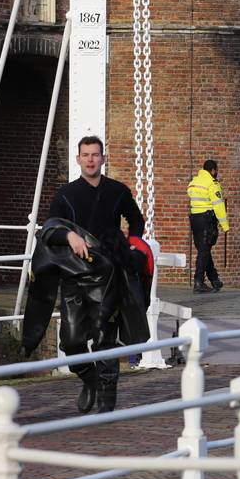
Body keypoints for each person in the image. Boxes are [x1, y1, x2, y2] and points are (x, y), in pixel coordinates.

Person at [29, 136, 148, 414]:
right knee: (71, 341)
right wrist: (69, 235)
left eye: (95, 154)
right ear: (78, 159)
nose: (91, 159)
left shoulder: (117, 191)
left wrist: (131, 246)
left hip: (108, 276)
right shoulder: (66, 195)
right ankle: (90, 380)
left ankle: (107, 403)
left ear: (102, 158)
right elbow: (49, 229)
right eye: (86, 155)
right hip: (74, 277)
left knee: (106, 338)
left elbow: (137, 220)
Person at [187, 159, 228, 293]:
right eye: (216, 170)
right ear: (213, 170)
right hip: (207, 220)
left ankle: (215, 280)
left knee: (203, 249)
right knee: (204, 251)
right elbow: (219, 205)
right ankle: (198, 282)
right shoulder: (212, 184)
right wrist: (225, 225)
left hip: (194, 218)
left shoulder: (194, 182)